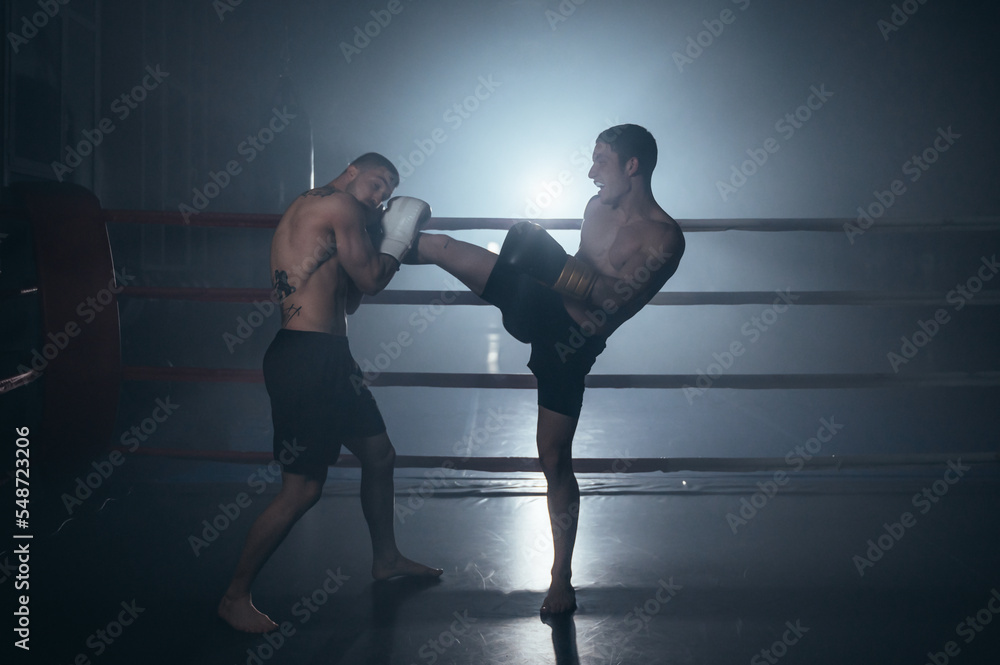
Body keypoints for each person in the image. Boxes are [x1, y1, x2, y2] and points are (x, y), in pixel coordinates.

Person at [408, 125, 684, 614]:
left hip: (572, 346)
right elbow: (575, 266)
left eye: (601, 160)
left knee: (554, 459)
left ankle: (561, 578)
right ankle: (353, 248)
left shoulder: (665, 238)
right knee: (441, 247)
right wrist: (548, 268)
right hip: (537, 301)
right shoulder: (596, 208)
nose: (591, 171)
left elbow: (613, 302)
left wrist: (554, 265)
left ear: (632, 166)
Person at [218, 153, 442, 633]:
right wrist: (398, 237)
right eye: (378, 182)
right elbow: (373, 281)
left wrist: (372, 237)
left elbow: (353, 301)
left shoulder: (330, 213)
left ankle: (385, 558)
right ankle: (234, 596)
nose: (381, 195)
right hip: (307, 359)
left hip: (331, 360)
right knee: (302, 490)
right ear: (352, 170)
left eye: (388, 192)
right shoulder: (337, 205)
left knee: (379, 456)